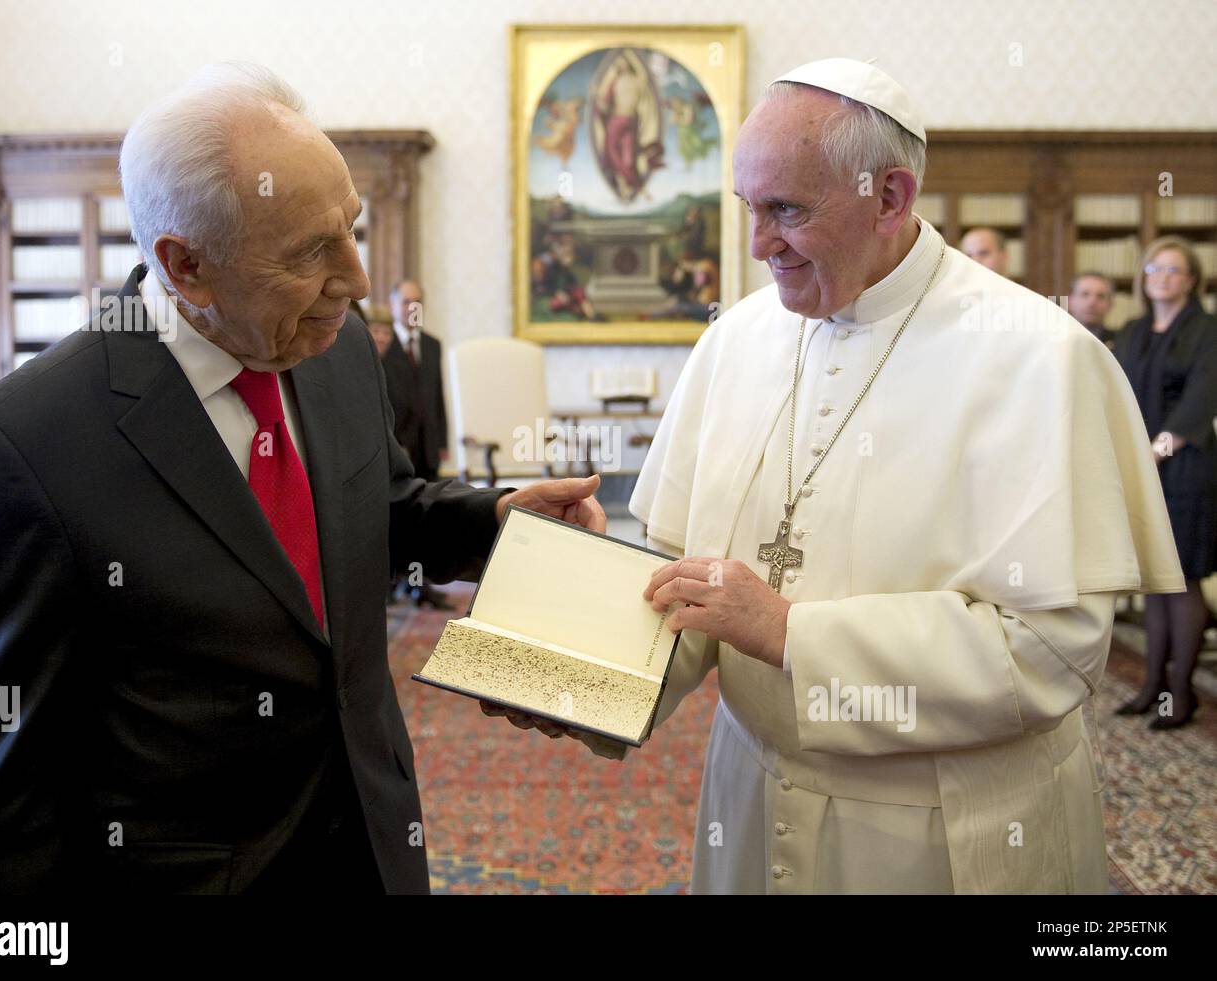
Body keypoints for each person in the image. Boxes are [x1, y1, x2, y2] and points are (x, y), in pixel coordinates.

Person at [487, 57, 1183, 894]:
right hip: (752, 794)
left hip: (942, 832)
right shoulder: (737, 340)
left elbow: (1049, 653)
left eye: (787, 210)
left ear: (890, 196)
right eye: (750, 207)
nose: (756, 245)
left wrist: (791, 633)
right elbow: (693, 596)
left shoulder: (1040, 356)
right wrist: (577, 673)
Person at [0, 62, 605, 895]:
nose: (357, 280)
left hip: (372, 840)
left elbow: (378, 509)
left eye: (353, 228)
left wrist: (496, 518)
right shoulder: (27, 444)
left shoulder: (338, 347)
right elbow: (9, 798)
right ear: (186, 267)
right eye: (311, 253)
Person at [1113, 237, 1217, 729]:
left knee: (1181, 579)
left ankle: (1181, 693)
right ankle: (1152, 686)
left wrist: (1156, 451)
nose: (1164, 276)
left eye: (1176, 269)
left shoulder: (1208, 330)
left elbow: (1200, 401)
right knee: (1154, 581)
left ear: (1192, 280)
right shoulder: (1133, 331)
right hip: (1139, 465)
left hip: (1186, 470)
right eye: (1155, 267)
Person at [383, 279, 454, 609]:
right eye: (407, 301)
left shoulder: (432, 344)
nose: (412, 308)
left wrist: (442, 441)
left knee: (427, 519)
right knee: (398, 518)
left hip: (428, 447)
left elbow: (437, 397)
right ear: (394, 305)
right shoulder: (382, 346)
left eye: (418, 302)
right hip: (397, 446)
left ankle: (421, 585)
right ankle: (396, 584)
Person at [1068, 271, 1117, 350]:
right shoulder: (1053, 341)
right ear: (1070, 301)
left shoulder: (1122, 343)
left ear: (1110, 304)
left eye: (1100, 296)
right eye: (1085, 294)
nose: (1092, 302)